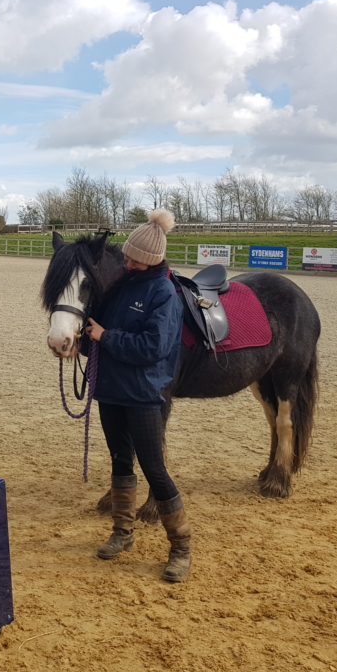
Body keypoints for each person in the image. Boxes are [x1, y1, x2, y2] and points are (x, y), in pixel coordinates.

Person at [83, 209, 191, 582]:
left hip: (143, 394)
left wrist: (104, 336)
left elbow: (152, 348)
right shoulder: (121, 285)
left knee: (155, 471)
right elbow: (97, 334)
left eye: (132, 258)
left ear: (150, 260)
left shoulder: (164, 293)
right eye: (127, 255)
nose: (125, 261)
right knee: (119, 462)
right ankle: (122, 533)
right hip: (110, 390)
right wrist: (82, 340)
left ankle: (180, 548)